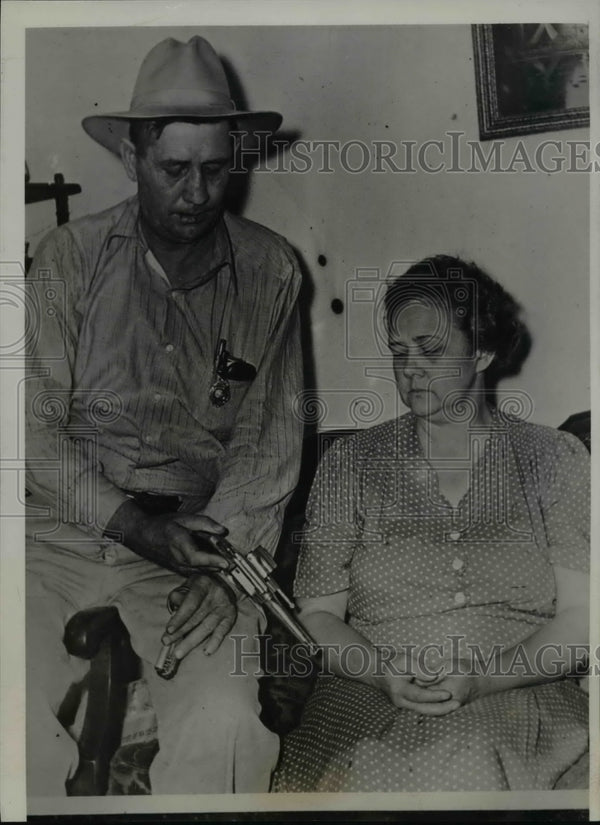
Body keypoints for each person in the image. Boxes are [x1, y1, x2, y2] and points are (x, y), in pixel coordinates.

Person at [25, 36, 303, 796]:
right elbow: (29, 435)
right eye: (173, 169)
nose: (196, 193)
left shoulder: (272, 271)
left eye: (215, 170)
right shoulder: (66, 259)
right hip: (51, 540)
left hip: (195, 552)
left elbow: (268, 447)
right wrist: (134, 525)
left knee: (229, 729)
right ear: (131, 157)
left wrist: (232, 577)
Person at [273, 255, 589, 792]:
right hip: (367, 693)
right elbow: (319, 616)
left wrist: (486, 679)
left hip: (514, 690)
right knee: (361, 772)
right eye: (399, 352)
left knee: (460, 761)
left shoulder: (553, 457)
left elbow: (584, 619)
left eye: (432, 350)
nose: (410, 368)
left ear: (483, 351)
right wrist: (379, 672)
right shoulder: (351, 463)